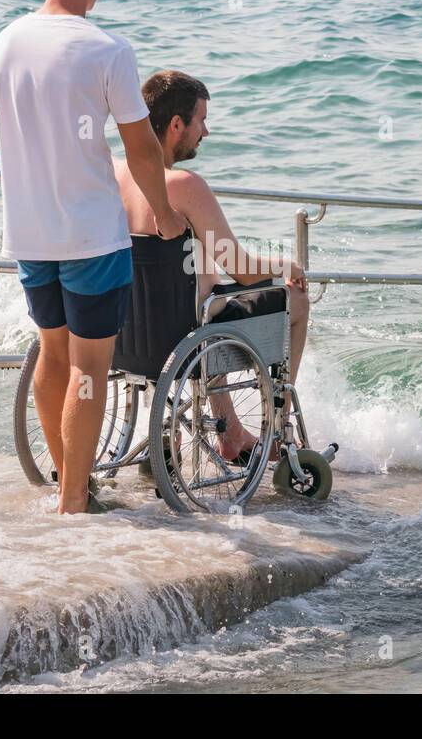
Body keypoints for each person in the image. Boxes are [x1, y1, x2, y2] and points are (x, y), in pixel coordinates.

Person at [0, 0, 186, 514]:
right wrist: (167, 215)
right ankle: (74, 500)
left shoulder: (6, 41)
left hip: (28, 230)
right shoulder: (107, 49)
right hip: (92, 235)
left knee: (53, 356)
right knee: (91, 369)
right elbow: (143, 150)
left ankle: (72, 483)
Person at [114, 70, 309, 462]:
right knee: (295, 302)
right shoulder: (184, 185)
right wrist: (289, 265)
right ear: (176, 125)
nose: (206, 132)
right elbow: (242, 268)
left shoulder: (115, 174)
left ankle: (229, 432)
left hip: (125, 334)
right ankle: (278, 428)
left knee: (204, 285)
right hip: (185, 336)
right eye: (201, 120)